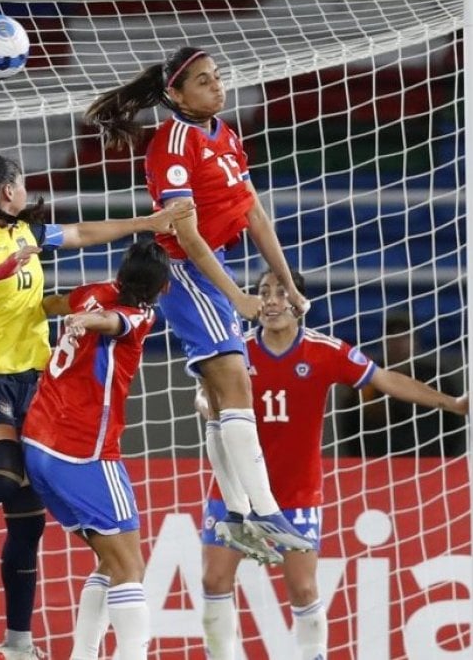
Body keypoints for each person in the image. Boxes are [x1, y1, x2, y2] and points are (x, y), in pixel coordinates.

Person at [0, 154, 191, 660]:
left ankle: (18, 642)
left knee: (27, 522)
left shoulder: (30, 234)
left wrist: (147, 222)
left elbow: (84, 232)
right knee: (4, 474)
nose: (24, 188)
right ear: (6, 191)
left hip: (33, 384)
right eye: (19, 182)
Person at [85, 45, 313, 548]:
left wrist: (288, 284)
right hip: (184, 272)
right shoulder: (171, 144)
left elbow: (255, 215)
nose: (217, 86)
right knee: (236, 385)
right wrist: (237, 297)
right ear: (177, 95)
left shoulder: (225, 135)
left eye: (217, 76)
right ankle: (267, 512)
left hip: (214, 268)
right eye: (204, 80)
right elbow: (186, 235)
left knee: (216, 397)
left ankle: (236, 514)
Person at [198, 269, 468, 660]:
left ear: (298, 302)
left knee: (303, 589)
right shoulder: (235, 350)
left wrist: (452, 403)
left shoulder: (324, 351)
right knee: (214, 579)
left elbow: (386, 379)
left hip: (295, 492)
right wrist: (207, 405)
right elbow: (205, 394)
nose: (270, 300)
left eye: (281, 292)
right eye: (263, 292)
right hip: (235, 489)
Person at [21, 239, 170, 660]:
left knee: (109, 561)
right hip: (83, 452)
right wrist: (86, 321)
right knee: (130, 567)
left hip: (38, 445)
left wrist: (72, 314)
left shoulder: (93, 291)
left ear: (121, 273)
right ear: (163, 288)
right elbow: (113, 322)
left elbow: (51, 304)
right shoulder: (141, 316)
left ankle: (83, 655)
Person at [338, 313, 467, 457]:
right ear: (383, 341)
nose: (398, 342)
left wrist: (442, 457)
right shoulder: (366, 378)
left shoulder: (435, 377)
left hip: (428, 461)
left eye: (405, 335)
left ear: (415, 340)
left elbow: (453, 424)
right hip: (378, 462)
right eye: (392, 336)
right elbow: (350, 426)